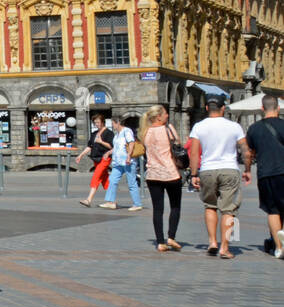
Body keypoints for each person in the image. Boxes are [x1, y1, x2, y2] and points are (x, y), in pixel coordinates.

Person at [188, 96, 249, 258]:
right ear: (223, 108)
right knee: (229, 209)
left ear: (207, 108)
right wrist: (248, 169)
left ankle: (213, 242)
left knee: (210, 206)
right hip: (230, 169)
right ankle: (225, 248)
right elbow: (246, 150)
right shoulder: (234, 126)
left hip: (207, 170)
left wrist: (194, 173)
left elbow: (194, 152)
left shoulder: (198, 127)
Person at [245, 94, 284, 258]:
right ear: (279, 108)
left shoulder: (254, 128)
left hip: (266, 173)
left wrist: (247, 170)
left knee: (273, 210)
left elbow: (249, 153)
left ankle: (279, 247)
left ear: (262, 109)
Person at [141, 105, 184, 251]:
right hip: (170, 172)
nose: (167, 116)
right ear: (158, 116)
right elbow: (178, 145)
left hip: (152, 174)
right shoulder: (168, 129)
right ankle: (171, 237)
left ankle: (160, 242)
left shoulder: (145, 132)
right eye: (165, 113)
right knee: (175, 206)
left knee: (157, 210)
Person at [100, 115, 143, 211]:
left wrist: (129, 155)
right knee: (112, 180)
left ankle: (137, 204)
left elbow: (131, 143)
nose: (112, 126)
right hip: (118, 162)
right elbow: (117, 147)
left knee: (132, 183)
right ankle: (110, 202)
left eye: (113, 123)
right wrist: (108, 152)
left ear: (118, 123)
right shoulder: (117, 135)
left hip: (128, 162)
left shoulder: (126, 131)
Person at [76, 113, 114, 207]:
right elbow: (90, 146)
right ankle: (111, 202)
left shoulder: (109, 133)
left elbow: (111, 146)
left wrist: (101, 142)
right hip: (96, 158)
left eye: (98, 122)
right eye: (95, 122)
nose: (96, 124)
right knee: (104, 180)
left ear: (103, 122)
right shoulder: (94, 133)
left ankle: (88, 200)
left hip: (105, 158)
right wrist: (80, 155)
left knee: (96, 177)